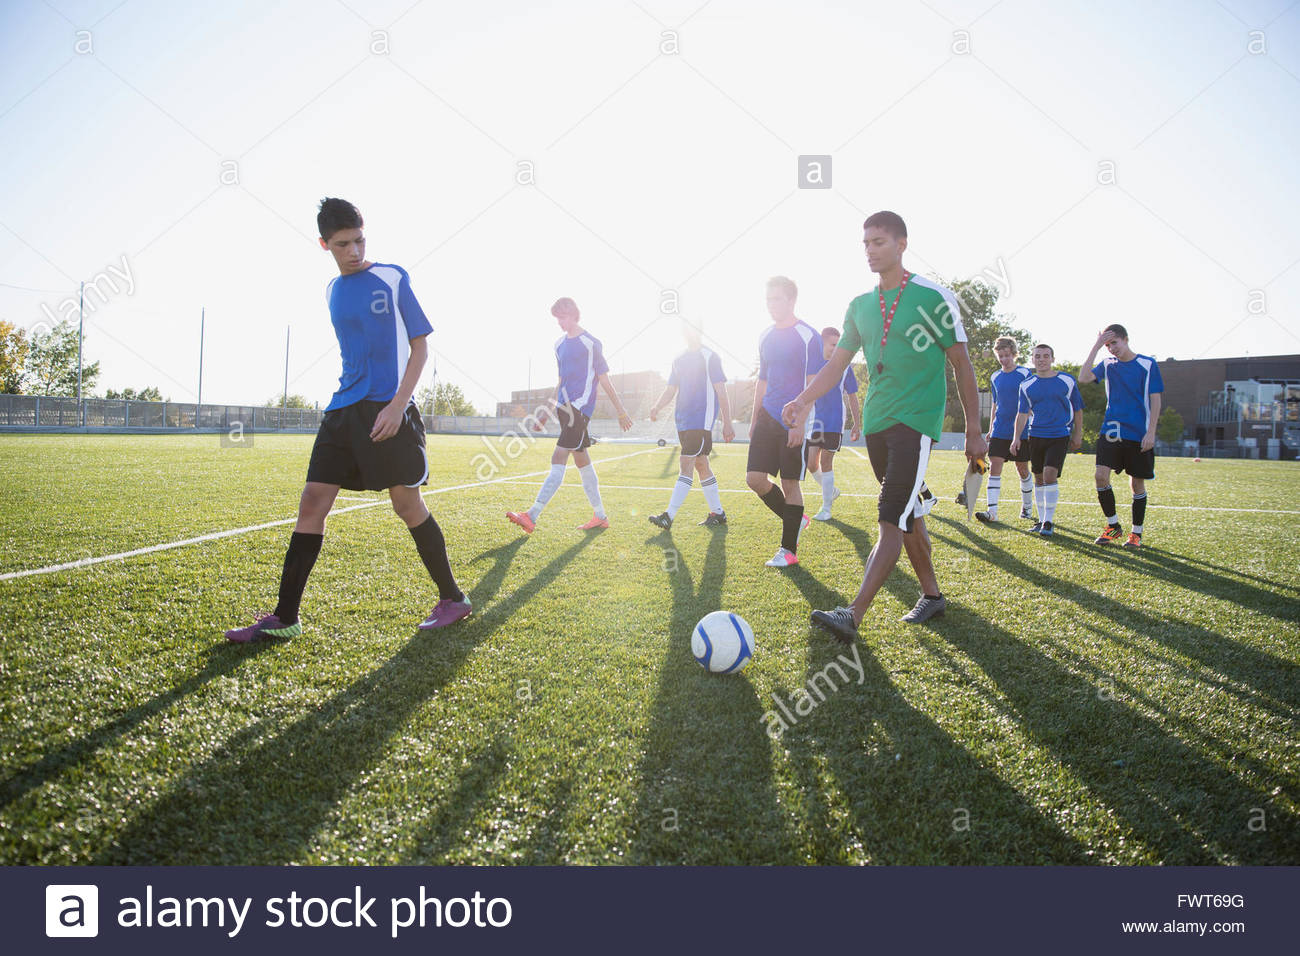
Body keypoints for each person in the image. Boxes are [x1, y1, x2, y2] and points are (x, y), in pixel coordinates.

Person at [226, 197, 468, 642]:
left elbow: (420, 348)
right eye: (343, 244)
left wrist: (397, 406)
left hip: (389, 407)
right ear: (325, 244)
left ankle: (454, 598)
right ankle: (286, 617)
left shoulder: (392, 277)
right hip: (341, 410)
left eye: (359, 240)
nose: (354, 250)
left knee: (406, 504)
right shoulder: (333, 291)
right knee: (312, 502)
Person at [789, 211, 986, 642]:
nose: (870, 250)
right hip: (877, 423)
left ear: (901, 244)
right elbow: (837, 363)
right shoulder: (860, 306)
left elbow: (961, 364)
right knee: (910, 514)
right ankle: (932, 595)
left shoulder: (934, 298)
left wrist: (975, 429)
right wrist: (803, 401)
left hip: (915, 424)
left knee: (889, 519)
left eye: (878, 241)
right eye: (865, 243)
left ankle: (852, 614)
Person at [506, 297, 633, 533]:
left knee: (559, 455)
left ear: (574, 315)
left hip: (580, 408)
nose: (560, 322)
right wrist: (545, 412)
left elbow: (604, 379)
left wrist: (621, 410)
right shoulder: (558, 345)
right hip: (564, 409)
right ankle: (601, 516)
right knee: (582, 460)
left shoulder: (591, 343)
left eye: (563, 317)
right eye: (557, 318)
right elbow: (561, 381)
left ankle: (532, 515)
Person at [746, 276, 821, 568]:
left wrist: (800, 422)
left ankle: (788, 551)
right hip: (766, 417)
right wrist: (754, 418)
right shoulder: (765, 335)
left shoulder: (808, 336)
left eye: (776, 299)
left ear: (791, 300)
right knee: (754, 479)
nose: (771, 305)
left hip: (794, 418)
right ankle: (796, 519)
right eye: (768, 299)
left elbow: (814, 383)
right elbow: (762, 381)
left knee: (790, 482)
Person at [1079, 324, 1163, 548]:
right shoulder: (1107, 364)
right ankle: (1113, 526)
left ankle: (1136, 534)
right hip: (1112, 431)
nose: (1111, 348)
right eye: (1107, 345)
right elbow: (1084, 377)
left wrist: (1151, 432)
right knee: (1100, 476)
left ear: (1126, 339)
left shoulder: (1147, 364)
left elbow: (1155, 399)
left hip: (1139, 433)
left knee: (1136, 484)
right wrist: (1096, 347)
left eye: (1114, 342)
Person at [646, 319, 735, 528]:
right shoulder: (678, 358)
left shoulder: (710, 357)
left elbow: (722, 391)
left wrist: (727, 423)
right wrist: (657, 407)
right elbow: (670, 389)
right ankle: (718, 514)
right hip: (683, 421)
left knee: (686, 464)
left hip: (700, 420)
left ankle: (669, 516)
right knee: (701, 465)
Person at [1009, 344, 1083, 538]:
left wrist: (1078, 433)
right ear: (1032, 360)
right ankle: (1041, 520)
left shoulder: (1067, 380)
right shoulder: (1026, 385)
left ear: (1052, 359)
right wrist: (1016, 438)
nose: (1041, 359)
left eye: (1045, 356)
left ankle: (1049, 522)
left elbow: (1078, 408)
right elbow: (1022, 414)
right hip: (1036, 435)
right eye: (1037, 356)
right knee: (1039, 478)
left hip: (1059, 435)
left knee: (1050, 475)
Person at [974, 336, 1035, 523]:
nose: (1004, 359)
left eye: (1007, 355)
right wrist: (991, 428)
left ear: (1014, 354)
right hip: (1000, 430)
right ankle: (992, 512)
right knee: (994, 470)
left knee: (1022, 469)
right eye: (1000, 356)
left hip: (1022, 430)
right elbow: (995, 404)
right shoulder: (995, 377)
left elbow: (1032, 399)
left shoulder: (1025, 373)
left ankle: (1027, 507)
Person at [805, 326, 862, 521]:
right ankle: (832, 491)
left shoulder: (844, 367)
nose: (836, 349)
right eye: (832, 345)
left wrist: (857, 423)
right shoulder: (812, 364)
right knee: (811, 464)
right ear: (823, 342)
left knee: (825, 462)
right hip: (815, 422)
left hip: (834, 421)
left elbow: (853, 396)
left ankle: (826, 509)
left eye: (839, 345)